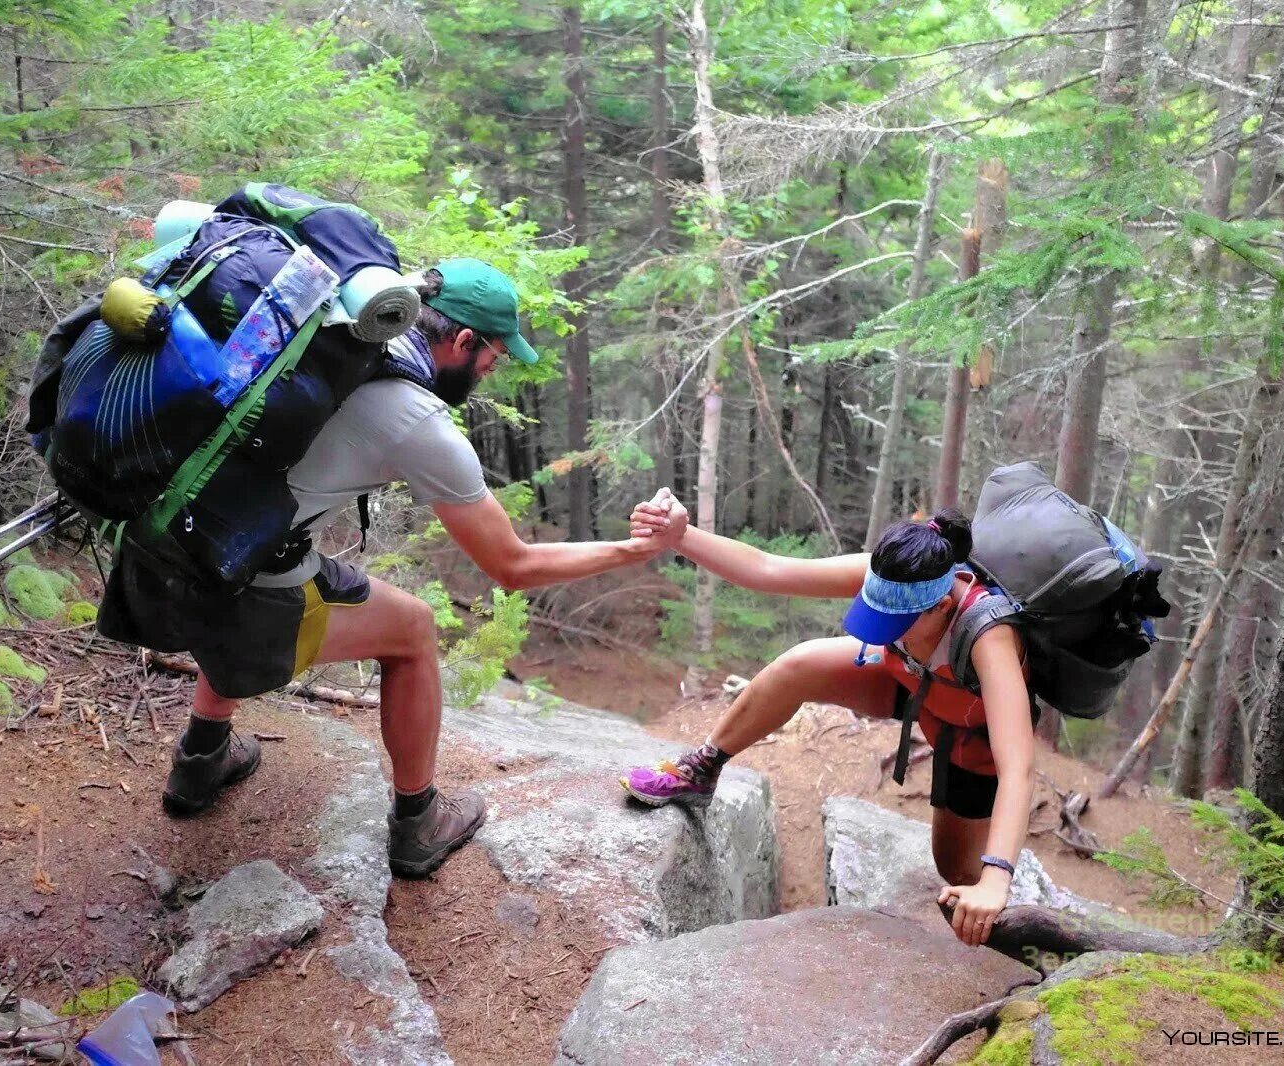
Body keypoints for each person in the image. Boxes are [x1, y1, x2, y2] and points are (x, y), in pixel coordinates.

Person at [99, 259, 665, 878]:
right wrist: (631, 551)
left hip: (159, 551)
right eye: (492, 360)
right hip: (239, 596)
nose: (488, 375)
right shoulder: (416, 421)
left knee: (283, 561)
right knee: (414, 631)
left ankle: (202, 756)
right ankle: (419, 822)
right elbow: (513, 564)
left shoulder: (327, 338)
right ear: (464, 342)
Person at [620, 489, 1035, 946]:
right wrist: (681, 536)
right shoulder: (895, 574)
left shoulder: (988, 635)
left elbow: (1018, 768)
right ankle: (702, 768)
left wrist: (996, 878)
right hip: (914, 682)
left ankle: (1026, 945)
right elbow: (770, 569)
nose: (882, 624)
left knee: (957, 872)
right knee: (801, 664)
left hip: (971, 738)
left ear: (940, 606)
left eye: (893, 621)